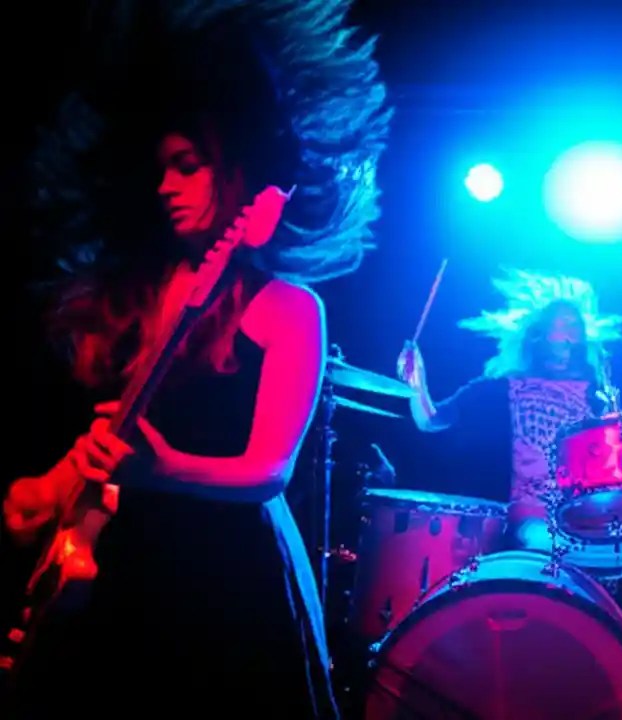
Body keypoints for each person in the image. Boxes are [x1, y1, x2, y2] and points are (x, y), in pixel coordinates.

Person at [1, 0, 389, 716]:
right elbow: (112, 434)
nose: (166, 187)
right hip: (123, 560)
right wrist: (52, 488)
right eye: (159, 170)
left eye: (188, 166)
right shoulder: (132, 297)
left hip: (227, 571)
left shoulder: (287, 308)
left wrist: (165, 470)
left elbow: (269, 472)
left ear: (236, 171)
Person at [397, 269, 622, 549]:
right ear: (538, 334)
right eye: (564, 323)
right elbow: (430, 421)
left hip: (581, 517)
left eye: (577, 325)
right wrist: (415, 380)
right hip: (529, 519)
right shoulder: (501, 389)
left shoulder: (598, 397)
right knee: (544, 540)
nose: (573, 332)